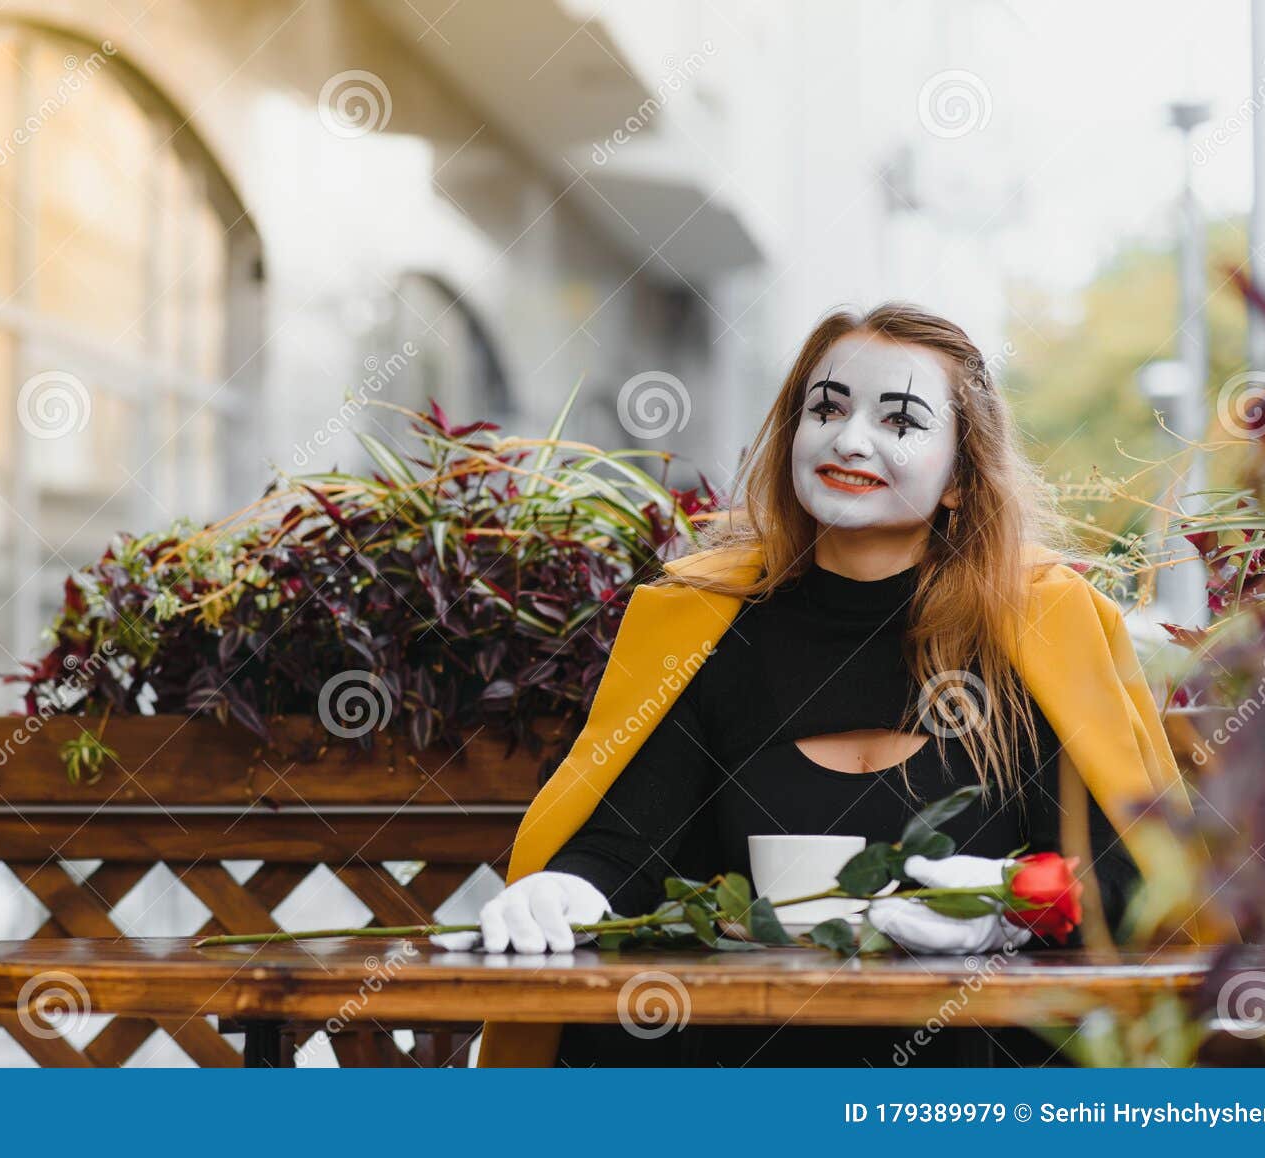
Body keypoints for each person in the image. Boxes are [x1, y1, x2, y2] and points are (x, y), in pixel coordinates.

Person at [439, 302, 1213, 1067]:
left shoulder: (1040, 627)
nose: (850, 439)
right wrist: (570, 893)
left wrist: (1016, 903)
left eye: (900, 421)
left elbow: (1128, 878)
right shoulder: (705, 624)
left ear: (959, 477)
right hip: (747, 1077)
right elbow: (628, 851)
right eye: (827, 408)